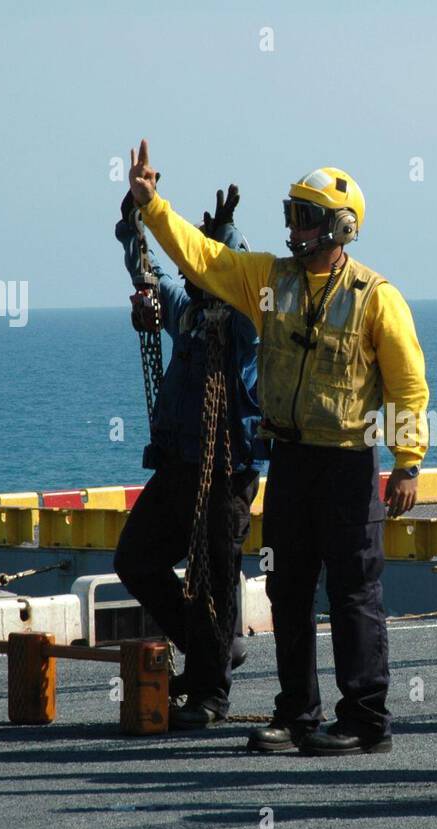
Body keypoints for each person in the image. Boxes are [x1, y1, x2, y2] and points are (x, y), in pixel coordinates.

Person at [127, 140, 430, 755]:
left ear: (340, 227)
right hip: (290, 459)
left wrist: (408, 463)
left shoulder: (376, 297)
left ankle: (365, 720)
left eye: (305, 217)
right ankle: (298, 714)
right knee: (290, 589)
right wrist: (152, 207)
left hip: (347, 462)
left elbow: (407, 383)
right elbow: (206, 258)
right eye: (291, 214)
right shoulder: (269, 282)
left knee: (353, 593)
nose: (293, 227)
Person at [111, 186, 264, 730]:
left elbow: (246, 290)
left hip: (225, 471)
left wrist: (226, 246)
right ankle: (213, 652)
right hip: (179, 464)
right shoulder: (190, 314)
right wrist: (135, 222)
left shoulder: (248, 322)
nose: (200, 277)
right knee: (136, 559)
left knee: (213, 578)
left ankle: (210, 692)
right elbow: (151, 278)